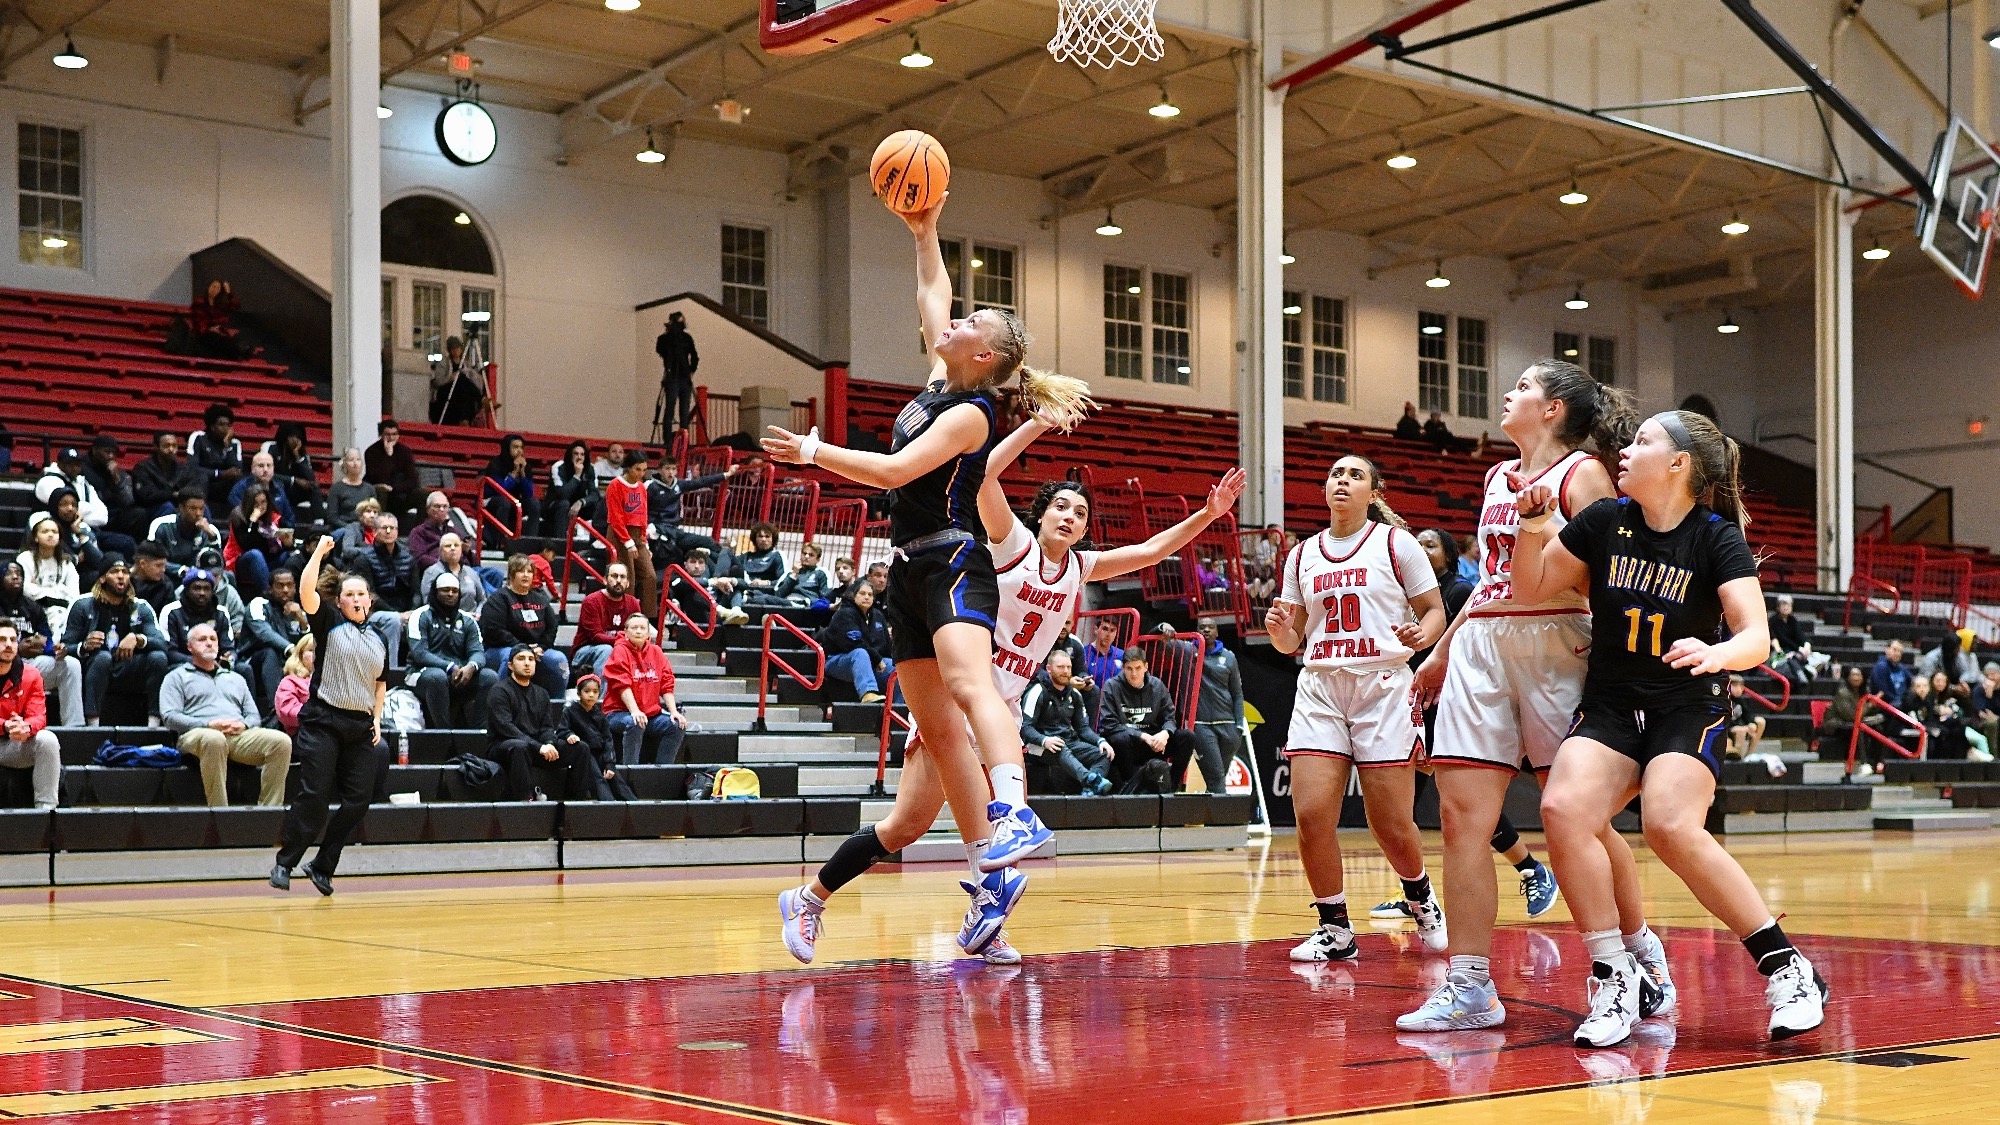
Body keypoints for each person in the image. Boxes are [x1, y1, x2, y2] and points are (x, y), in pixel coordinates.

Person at [764, 189, 1096, 965]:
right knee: (939, 744)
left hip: (954, 558)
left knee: (967, 681)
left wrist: (813, 453)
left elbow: (892, 470)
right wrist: (927, 231)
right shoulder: (936, 384)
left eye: (971, 325)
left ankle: (1011, 812)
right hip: (907, 571)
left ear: (984, 356)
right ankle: (865, 893)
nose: (956, 321)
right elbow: (931, 292)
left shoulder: (973, 413)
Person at [1512, 408, 1827, 1046]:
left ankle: (1785, 967)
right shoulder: (1604, 520)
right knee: (1564, 809)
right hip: (1610, 701)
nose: (1627, 449)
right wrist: (1533, 524)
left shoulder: (1715, 538)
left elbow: (1756, 636)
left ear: (1678, 464)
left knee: (1670, 825)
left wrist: (1718, 654)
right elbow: (1533, 587)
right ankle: (1614, 974)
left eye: (1645, 441)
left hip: (1686, 703)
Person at [1400, 361, 1666, 1032]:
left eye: (1523, 386)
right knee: (1462, 818)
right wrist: (1439, 653)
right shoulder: (1495, 476)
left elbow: (1610, 578)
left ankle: (1639, 959)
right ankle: (1469, 986)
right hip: (1482, 645)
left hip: (1559, 640)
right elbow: (1491, 580)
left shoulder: (1585, 476)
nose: (1509, 393)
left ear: (1552, 409)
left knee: (1582, 819)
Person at [1265, 454, 1449, 967]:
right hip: (1321, 686)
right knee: (1311, 814)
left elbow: (1435, 610)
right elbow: (1290, 638)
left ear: (1374, 491)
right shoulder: (1302, 555)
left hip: (1383, 686)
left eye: (1355, 475)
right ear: (1325, 490)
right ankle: (1334, 926)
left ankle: (1420, 896)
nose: (1342, 481)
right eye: (1334, 475)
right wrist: (1282, 635)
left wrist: (1423, 636)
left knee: (1389, 821)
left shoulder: (1396, 544)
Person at [272, 536, 389, 896]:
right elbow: (307, 590)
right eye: (349, 594)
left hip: (359, 726)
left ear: (370, 600)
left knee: (358, 801)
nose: (356, 599)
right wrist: (319, 555)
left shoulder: (380, 638)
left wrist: (377, 719)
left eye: (361, 594)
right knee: (315, 796)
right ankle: (285, 862)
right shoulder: (328, 622)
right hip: (323, 720)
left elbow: (381, 683)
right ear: (339, 601)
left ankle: (323, 866)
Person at [160, 623, 291, 806]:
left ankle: (269, 810)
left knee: (281, 742)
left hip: (238, 734)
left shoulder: (236, 678)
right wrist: (208, 724)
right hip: (197, 735)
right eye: (202, 639)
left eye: (213, 639)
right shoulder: (176, 677)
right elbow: (169, 716)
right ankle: (220, 812)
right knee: (214, 739)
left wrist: (244, 725)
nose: (209, 643)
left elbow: (253, 715)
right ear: (189, 647)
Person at [63, 556, 169, 726]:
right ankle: (93, 726)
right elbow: (64, 647)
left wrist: (138, 639)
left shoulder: (141, 607)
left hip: (128, 666)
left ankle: (154, 725)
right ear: (102, 578)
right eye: (114, 572)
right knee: (102, 657)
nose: (121, 576)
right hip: (95, 667)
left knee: (158, 658)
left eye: (125, 572)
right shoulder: (82, 605)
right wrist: (84, 646)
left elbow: (163, 643)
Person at [484, 645, 594, 800]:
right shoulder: (499, 690)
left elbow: (547, 727)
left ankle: (577, 800)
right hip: (504, 745)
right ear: (510, 665)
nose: (527, 663)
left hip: (536, 747)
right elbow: (505, 728)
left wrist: (549, 742)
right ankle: (525, 799)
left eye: (531, 659)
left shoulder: (542, 693)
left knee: (580, 748)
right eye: (521, 659)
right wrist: (539, 747)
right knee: (519, 746)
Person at [1100, 648, 1198, 792]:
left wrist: (1165, 734)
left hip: (1155, 741)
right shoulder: (1111, 686)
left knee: (1188, 736)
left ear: (1146, 666)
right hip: (1129, 743)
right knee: (1119, 739)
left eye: (1138, 668)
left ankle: (1172, 786)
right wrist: (1142, 736)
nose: (1134, 674)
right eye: (1129, 669)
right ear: (1123, 668)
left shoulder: (1157, 685)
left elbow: (1169, 717)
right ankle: (1130, 786)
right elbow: (1110, 724)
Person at [409, 572, 497, 729]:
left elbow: (477, 652)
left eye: (454, 591)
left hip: (459, 675)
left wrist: (471, 666)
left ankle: (478, 733)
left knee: (489, 677)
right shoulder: (420, 615)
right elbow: (420, 653)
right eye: (445, 590)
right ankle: (443, 734)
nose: (450, 594)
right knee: (437, 677)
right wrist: (448, 667)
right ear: (435, 593)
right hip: (421, 673)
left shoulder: (467, 620)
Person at [1019, 649, 1113, 794]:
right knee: (1059, 748)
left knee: (1104, 753)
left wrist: (1100, 741)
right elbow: (1025, 728)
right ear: (1049, 669)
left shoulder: (1074, 694)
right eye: (1061, 667)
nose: (1065, 671)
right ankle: (1090, 780)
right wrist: (1045, 740)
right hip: (1038, 745)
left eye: (1068, 667)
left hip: (1067, 742)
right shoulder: (1037, 691)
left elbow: (1083, 729)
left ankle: (1089, 790)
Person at [0, 562, 81, 726]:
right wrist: (18, 649)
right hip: (3, 664)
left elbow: (47, 640)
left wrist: (56, 649)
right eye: (9, 573)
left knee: (70, 665)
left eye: (19, 574)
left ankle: (75, 728)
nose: (16, 577)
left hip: (28, 665)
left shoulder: (32, 606)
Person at [600, 614, 686, 765]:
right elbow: (621, 684)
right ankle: (631, 771)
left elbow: (666, 683)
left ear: (648, 633)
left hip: (650, 714)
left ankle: (663, 771)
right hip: (617, 713)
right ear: (626, 632)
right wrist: (634, 711)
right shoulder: (619, 651)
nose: (638, 631)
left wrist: (673, 712)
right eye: (634, 628)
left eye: (642, 628)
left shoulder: (656, 652)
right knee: (635, 723)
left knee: (676, 725)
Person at [480, 555, 567, 694]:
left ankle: (557, 706)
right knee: (513, 656)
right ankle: (500, 700)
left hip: (535, 650)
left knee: (558, 659)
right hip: (501, 649)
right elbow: (494, 631)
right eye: (521, 571)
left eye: (529, 571)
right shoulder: (498, 599)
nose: (526, 575)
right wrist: (523, 648)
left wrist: (543, 647)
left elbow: (552, 626)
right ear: (511, 574)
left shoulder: (540, 599)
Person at [0, 621, 61, 808]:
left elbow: (38, 716)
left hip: (12, 744)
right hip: (4, 732)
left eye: (12, 639)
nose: (8, 644)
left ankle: (46, 812)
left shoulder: (31, 674)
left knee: (47, 739)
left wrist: (26, 727)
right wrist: (5, 725)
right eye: (2, 640)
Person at [241, 568, 309, 716]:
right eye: (280, 586)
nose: (285, 590)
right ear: (270, 588)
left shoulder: (296, 610)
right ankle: (277, 708)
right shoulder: (259, 604)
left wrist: (302, 620)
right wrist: (291, 648)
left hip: (285, 662)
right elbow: (264, 632)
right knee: (270, 653)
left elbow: (307, 642)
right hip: (253, 661)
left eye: (289, 585)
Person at [1190, 620, 1245, 796]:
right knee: (1216, 777)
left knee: (1216, 780)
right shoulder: (1188, 652)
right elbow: (1162, 644)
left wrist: (1239, 725)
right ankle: (1225, 819)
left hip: (1229, 727)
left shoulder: (1229, 657)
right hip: (1201, 725)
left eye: (1211, 627)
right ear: (1196, 631)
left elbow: (1237, 693)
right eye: (1201, 627)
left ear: (1217, 632)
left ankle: (1211, 819)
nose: (1206, 630)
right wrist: (1162, 627)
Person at [647, 455, 731, 568]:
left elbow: (701, 481)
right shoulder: (650, 487)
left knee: (708, 542)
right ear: (660, 470)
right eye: (667, 469)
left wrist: (725, 475)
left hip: (675, 531)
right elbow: (642, 510)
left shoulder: (678, 484)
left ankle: (724, 569)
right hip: (658, 529)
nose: (670, 472)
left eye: (673, 469)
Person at [604, 448, 659, 617]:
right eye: (637, 469)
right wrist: (627, 542)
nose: (641, 474)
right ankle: (627, 617)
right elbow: (616, 517)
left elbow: (643, 515)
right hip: (619, 533)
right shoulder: (615, 485)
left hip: (638, 535)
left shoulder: (642, 488)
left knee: (650, 576)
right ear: (628, 467)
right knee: (629, 579)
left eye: (644, 470)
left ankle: (648, 619)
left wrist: (644, 541)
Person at [564, 674, 633, 800]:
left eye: (595, 692)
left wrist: (610, 763)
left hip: (599, 753)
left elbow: (607, 740)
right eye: (587, 691)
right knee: (598, 778)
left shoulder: (600, 715)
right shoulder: (570, 711)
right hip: (584, 754)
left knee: (616, 779)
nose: (591, 695)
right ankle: (609, 805)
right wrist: (570, 735)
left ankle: (634, 806)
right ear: (579, 693)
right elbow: (562, 730)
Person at [822, 583, 895, 703]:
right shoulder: (844, 614)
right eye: (862, 593)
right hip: (837, 660)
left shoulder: (878, 615)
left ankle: (897, 708)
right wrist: (877, 659)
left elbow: (887, 645)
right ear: (853, 596)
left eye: (870, 594)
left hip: (869, 662)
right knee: (859, 653)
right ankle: (868, 693)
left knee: (895, 668)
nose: (866, 597)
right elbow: (853, 642)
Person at [573, 562, 643, 679]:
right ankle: (602, 696)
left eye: (622, 577)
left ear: (628, 583)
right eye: (614, 576)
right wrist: (624, 641)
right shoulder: (591, 601)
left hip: (620, 648)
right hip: (586, 651)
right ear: (605, 580)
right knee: (607, 650)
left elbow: (638, 629)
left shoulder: (633, 603)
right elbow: (595, 636)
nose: (618, 580)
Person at [226, 481, 295, 598]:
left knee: (290, 556)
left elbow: (276, 551)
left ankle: (292, 596)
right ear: (249, 504)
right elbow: (247, 545)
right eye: (256, 503)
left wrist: (288, 544)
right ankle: (268, 597)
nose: (260, 506)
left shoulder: (274, 518)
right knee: (255, 555)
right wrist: (253, 521)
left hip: (267, 561)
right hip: (241, 560)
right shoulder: (239, 517)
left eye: (263, 502)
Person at [17, 515, 78, 635]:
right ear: (35, 537)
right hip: (33, 608)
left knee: (59, 613)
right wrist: (60, 590)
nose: (50, 535)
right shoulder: (24, 558)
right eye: (45, 531)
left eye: (54, 532)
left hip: (61, 610)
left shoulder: (66, 563)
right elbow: (24, 588)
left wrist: (41, 591)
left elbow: (74, 595)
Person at [163, 569, 235, 669]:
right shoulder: (171, 611)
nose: (202, 593)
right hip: (184, 664)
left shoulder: (221, 613)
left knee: (243, 669)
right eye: (197, 588)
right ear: (187, 590)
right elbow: (170, 652)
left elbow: (228, 648)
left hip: (216, 664)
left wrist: (229, 659)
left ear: (212, 591)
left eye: (206, 589)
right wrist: (201, 662)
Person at [349, 512, 416, 614]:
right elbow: (369, 593)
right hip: (377, 612)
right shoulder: (363, 558)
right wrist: (396, 615)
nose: (388, 531)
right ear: (375, 531)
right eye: (384, 528)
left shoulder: (408, 556)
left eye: (392, 528)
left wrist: (413, 612)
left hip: (407, 611)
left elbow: (416, 592)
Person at [1822, 665, 1885, 770]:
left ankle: (1878, 761)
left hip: (1852, 722)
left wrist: (1875, 707)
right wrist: (1870, 705)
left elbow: (1866, 713)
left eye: (1859, 675)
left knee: (1878, 728)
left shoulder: (1864, 691)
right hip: (1836, 724)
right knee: (1859, 728)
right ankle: (1864, 764)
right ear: (1848, 677)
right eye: (1854, 675)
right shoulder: (1842, 692)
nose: (1856, 678)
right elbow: (1851, 716)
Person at [85, 436, 147, 542]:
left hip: (113, 515)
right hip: (92, 515)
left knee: (139, 513)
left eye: (113, 453)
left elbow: (128, 501)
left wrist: (116, 479)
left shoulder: (117, 472)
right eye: (107, 452)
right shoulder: (82, 468)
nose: (111, 456)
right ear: (94, 450)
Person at [133, 432, 208, 520]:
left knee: (201, 507)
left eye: (174, 446)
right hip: (152, 507)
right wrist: (172, 495)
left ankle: (207, 532)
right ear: (156, 447)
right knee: (168, 507)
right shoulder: (143, 468)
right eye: (166, 446)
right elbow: (145, 495)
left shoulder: (183, 468)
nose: (171, 449)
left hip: (178, 505)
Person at [406, 491, 485, 574]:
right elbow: (418, 559)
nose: (442, 509)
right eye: (437, 506)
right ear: (428, 509)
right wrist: (446, 564)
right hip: (437, 572)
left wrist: (467, 551)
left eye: (445, 506)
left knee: (495, 573)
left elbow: (475, 564)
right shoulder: (418, 532)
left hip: (464, 570)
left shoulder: (454, 531)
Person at [265, 422, 324, 529]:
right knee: (278, 485)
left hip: (293, 493)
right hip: (274, 490)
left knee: (313, 486)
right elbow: (267, 474)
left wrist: (298, 457)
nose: (295, 440)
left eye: (298, 437)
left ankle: (319, 523)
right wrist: (293, 480)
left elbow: (311, 479)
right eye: (292, 436)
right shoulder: (271, 449)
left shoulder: (302, 454)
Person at [481, 434, 540, 539]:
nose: (519, 451)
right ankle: (502, 541)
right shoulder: (496, 464)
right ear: (507, 448)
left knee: (534, 504)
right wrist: (514, 473)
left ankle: (532, 540)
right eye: (515, 447)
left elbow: (529, 494)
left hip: (513, 502)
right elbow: (499, 490)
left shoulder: (525, 466)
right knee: (504, 502)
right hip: (492, 500)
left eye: (521, 447)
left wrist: (522, 473)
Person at [189, 404, 244, 513]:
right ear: (212, 426)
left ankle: (240, 515)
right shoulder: (199, 437)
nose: (225, 428)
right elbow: (192, 467)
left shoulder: (234, 443)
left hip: (223, 487)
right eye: (221, 424)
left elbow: (237, 470)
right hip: (204, 483)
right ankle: (201, 512)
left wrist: (228, 446)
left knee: (241, 480)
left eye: (228, 425)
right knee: (201, 478)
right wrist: (219, 473)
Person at [419, 532, 488, 619]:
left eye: (456, 545)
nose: (453, 548)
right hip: (443, 621)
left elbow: (482, 600)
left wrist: (478, 614)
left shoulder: (471, 572)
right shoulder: (431, 572)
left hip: (472, 620)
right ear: (440, 551)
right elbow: (428, 603)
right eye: (448, 546)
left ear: (461, 550)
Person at [365, 421, 421, 524]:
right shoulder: (371, 452)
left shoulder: (405, 451)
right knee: (381, 490)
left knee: (423, 494)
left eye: (394, 434)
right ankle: (379, 526)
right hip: (381, 493)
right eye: (387, 434)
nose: (391, 438)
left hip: (400, 492)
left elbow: (413, 480)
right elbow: (378, 477)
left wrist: (394, 488)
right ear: (381, 435)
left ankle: (421, 530)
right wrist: (388, 456)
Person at [655, 311, 700, 439]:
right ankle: (672, 438)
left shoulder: (667, 338)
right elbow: (694, 356)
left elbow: (694, 356)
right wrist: (691, 370)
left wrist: (691, 370)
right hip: (677, 377)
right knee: (677, 409)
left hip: (679, 377)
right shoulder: (675, 338)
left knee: (678, 410)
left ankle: (676, 438)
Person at [1766, 594, 1827, 684]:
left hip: (1793, 651)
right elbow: (1782, 639)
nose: (1786, 607)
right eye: (1783, 605)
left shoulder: (1792, 620)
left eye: (1788, 605)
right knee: (1791, 659)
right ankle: (1802, 673)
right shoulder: (1773, 620)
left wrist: (1807, 644)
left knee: (1814, 656)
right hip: (1778, 652)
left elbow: (1800, 635)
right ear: (1778, 607)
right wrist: (1798, 649)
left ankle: (1806, 671)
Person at [430, 335, 489, 426]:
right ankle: (482, 399)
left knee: (464, 386)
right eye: (453, 349)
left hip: (460, 391)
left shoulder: (466, 364)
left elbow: (474, 379)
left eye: (457, 348)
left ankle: (464, 419)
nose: (456, 351)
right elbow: (437, 381)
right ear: (450, 350)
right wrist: (450, 378)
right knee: (461, 378)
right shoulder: (444, 363)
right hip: (446, 390)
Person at [228, 451, 297, 528]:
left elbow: (289, 518)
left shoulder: (279, 489)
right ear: (252, 469)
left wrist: (285, 531)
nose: (265, 470)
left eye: (269, 466)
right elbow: (240, 518)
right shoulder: (240, 489)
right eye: (261, 466)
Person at [543, 441, 599, 533]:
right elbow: (562, 494)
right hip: (554, 506)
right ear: (570, 455)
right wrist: (577, 476)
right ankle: (560, 543)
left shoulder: (590, 469)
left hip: (577, 506)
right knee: (564, 504)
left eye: (582, 454)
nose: (579, 457)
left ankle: (595, 542)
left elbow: (595, 494)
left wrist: (581, 502)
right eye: (576, 454)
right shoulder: (558, 467)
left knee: (598, 505)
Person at [273, 636, 314, 736]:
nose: (317, 653)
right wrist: (318, 716)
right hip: (305, 734)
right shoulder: (290, 682)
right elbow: (287, 713)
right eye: (311, 650)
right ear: (300, 655)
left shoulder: (337, 680)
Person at [327, 448, 374, 529]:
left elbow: (374, 513)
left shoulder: (369, 489)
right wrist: (350, 528)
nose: (355, 463)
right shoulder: (336, 488)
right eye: (351, 460)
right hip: (343, 528)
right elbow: (332, 517)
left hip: (364, 530)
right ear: (345, 464)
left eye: (358, 459)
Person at [775, 542, 830, 608]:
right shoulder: (790, 573)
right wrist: (794, 574)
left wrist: (807, 601)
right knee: (762, 596)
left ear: (818, 559)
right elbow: (778, 595)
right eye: (804, 553)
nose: (806, 557)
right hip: (787, 603)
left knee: (765, 599)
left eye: (811, 555)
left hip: (805, 607)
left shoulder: (821, 573)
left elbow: (826, 598)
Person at [1726, 673, 1766, 758]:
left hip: (1739, 725)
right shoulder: (1723, 700)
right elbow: (1723, 719)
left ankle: (1749, 754)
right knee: (1741, 731)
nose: (1739, 689)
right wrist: (1739, 727)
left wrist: (1751, 723)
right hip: (1727, 728)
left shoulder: (1739, 699)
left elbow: (1747, 713)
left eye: (1741, 686)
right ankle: (1737, 756)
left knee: (1760, 721)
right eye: (1735, 686)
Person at [130, 543, 176, 614]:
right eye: (158, 565)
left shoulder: (166, 585)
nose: (163, 570)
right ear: (143, 563)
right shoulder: (124, 581)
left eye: (164, 565)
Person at [1868, 639, 1912, 705]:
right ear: (1887, 650)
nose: (1897, 653)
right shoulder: (1881, 667)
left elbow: (1912, 681)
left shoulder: (1902, 667)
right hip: (1888, 706)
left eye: (1900, 651)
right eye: (1895, 650)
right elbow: (1883, 692)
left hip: (1901, 704)